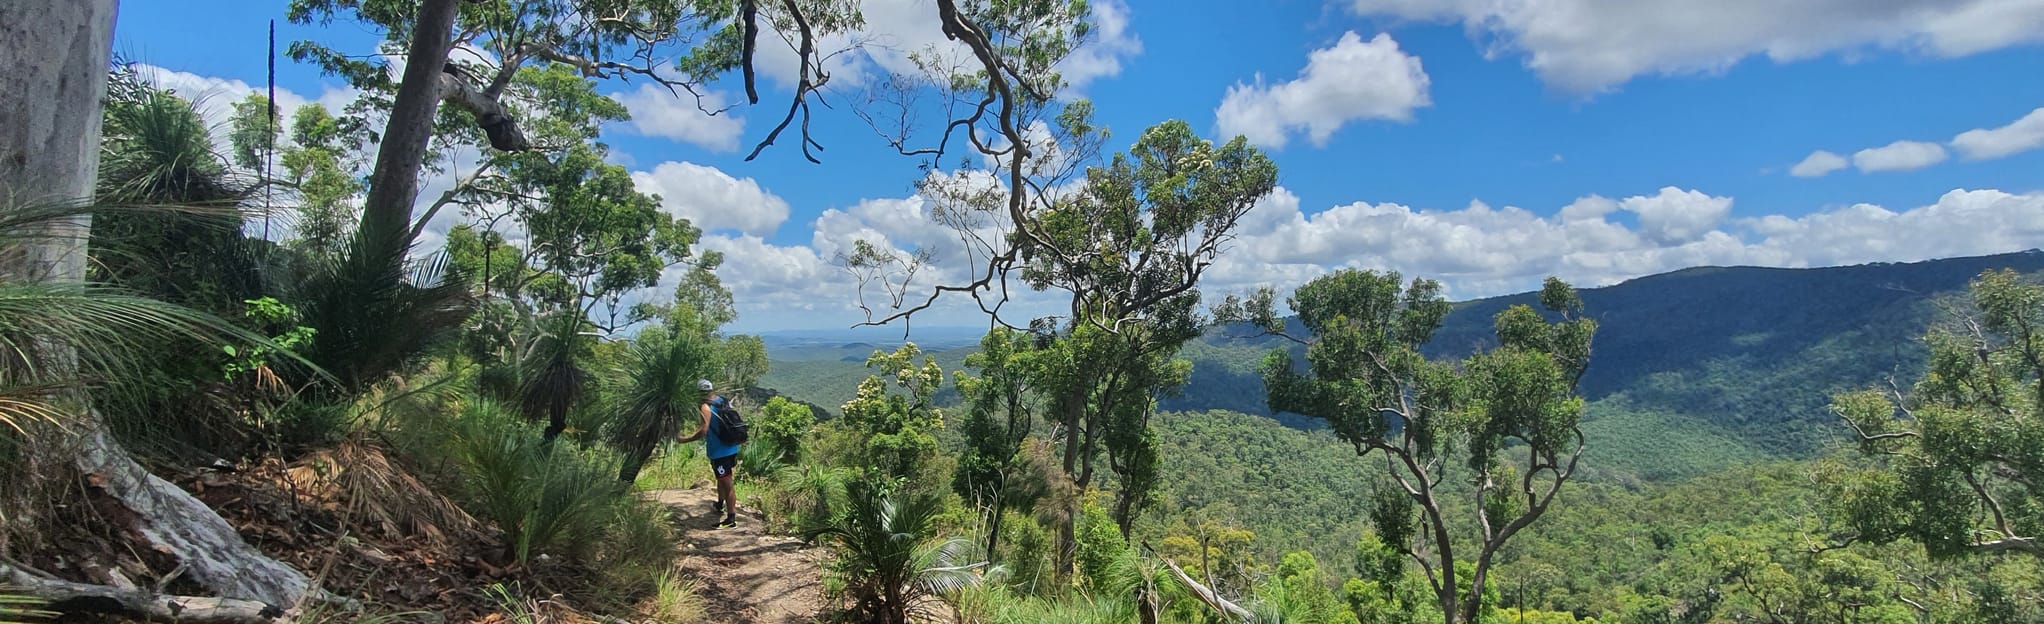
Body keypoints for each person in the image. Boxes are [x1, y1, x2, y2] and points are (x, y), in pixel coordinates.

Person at [678, 379, 740, 528]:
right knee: (721, 478)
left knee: (727, 482)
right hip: (732, 447)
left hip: (719, 451)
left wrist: (685, 439)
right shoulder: (723, 400)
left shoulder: (705, 407)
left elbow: (703, 431)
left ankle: (731, 519)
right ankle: (719, 504)